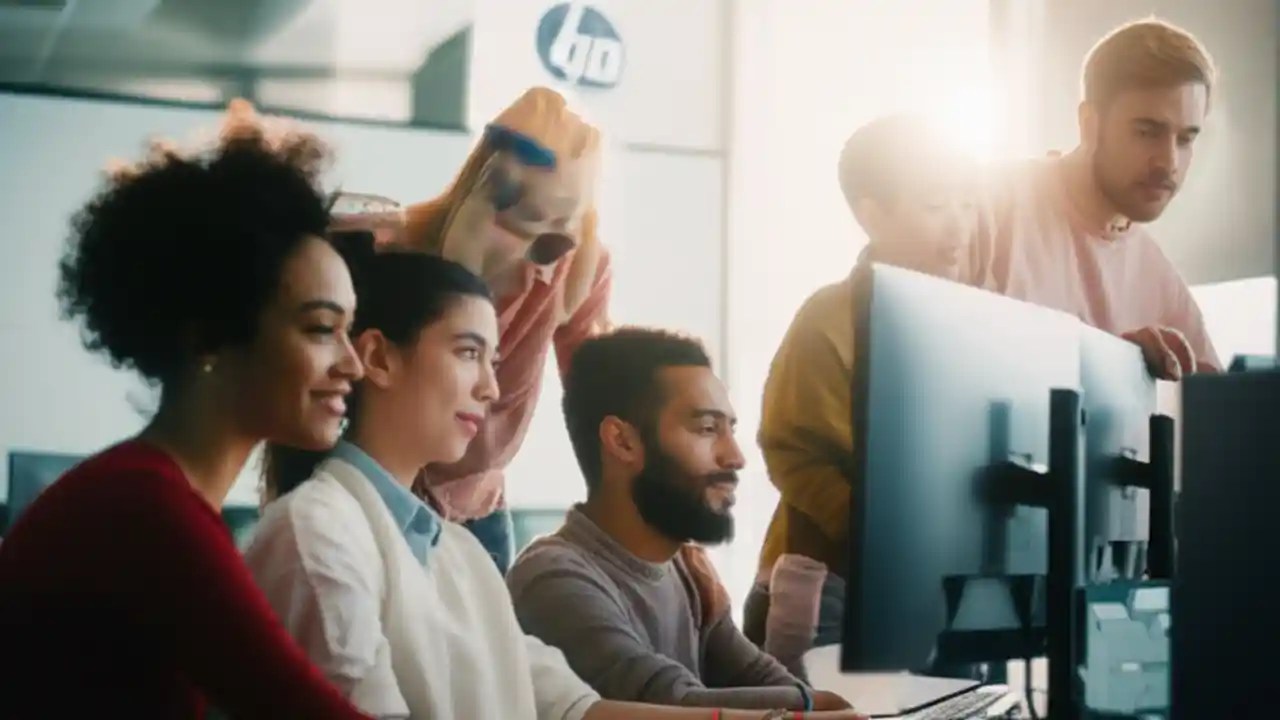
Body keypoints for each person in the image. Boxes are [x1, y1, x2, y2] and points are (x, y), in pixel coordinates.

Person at [246, 244, 867, 720]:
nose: (491, 388)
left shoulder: (455, 551)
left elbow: (575, 708)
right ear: (378, 358)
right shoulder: (318, 534)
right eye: (468, 353)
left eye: (493, 361)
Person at [0, 102, 371, 718]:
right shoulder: (145, 513)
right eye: (321, 329)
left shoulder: (142, 494)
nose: (354, 364)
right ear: (207, 337)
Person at [328, 86, 613, 573]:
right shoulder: (387, 246)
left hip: (477, 508)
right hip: (375, 492)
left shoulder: (578, 268)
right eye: (522, 228)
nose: (531, 263)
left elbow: (598, 394)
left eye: (555, 239)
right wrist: (464, 258)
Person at [507, 328, 856, 712]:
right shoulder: (552, 577)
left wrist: (824, 705)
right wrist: (813, 704)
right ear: (623, 442)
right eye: (708, 429)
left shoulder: (688, 567)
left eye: (730, 430)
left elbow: (756, 676)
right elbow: (673, 703)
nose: (735, 456)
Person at [742, 115, 978, 652]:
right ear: (871, 214)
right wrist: (886, 536)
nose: (959, 226)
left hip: (928, 590)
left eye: (967, 203)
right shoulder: (830, 317)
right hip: (828, 585)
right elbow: (794, 455)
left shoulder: (973, 323)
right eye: (937, 206)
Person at [971, 17, 1222, 377]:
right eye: (1147, 132)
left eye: (1185, 139)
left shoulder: (1163, 286)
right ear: (1090, 124)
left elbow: (1223, 421)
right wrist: (1110, 364)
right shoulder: (988, 208)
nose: (1169, 162)